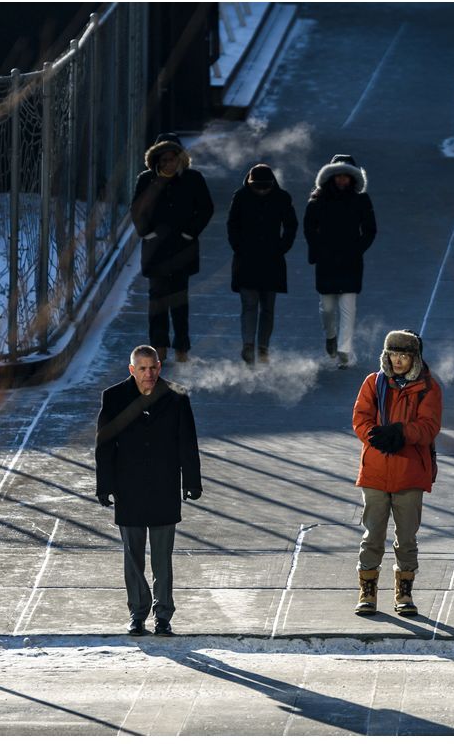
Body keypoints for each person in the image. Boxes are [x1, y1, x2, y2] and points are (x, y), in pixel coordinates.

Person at [94, 345, 202, 636]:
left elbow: (186, 441)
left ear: (159, 367)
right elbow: (105, 445)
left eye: (153, 367)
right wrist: (104, 484)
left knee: (162, 557)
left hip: (164, 486)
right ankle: (138, 613)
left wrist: (191, 481)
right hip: (128, 488)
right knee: (133, 556)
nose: (149, 373)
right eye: (142, 368)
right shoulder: (114, 397)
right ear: (132, 370)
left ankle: (163, 615)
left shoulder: (176, 396)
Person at [351, 329, 442, 617]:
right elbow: (360, 419)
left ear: (414, 357)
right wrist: (374, 435)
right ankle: (368, 591)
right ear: (386, 355)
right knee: (372, 534)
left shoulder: (428, 388)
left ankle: (404, 592)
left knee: (407, 537)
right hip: (376, 472)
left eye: (404, 355)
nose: (398, 360)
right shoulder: (373, 383)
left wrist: (401, 433)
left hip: (410, 474)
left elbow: (429, 427)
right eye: (393, 354)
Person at [130, 133, 214, 363]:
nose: (168, 163)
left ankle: (181, 346)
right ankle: (159, 346)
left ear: (180, 158)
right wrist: (148, 232)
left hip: (181, 250)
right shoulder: (146, 180)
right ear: (156, 160)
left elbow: (206, 208)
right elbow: (137, 210)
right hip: (155, 251)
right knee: (157, 300)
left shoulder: (193, 179)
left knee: (178, 299)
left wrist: (190, 232)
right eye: (163, 159)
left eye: (172, 158)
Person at [303, 154, 377, 368]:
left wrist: (357, 249)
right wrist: (317, 248)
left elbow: (370, 229)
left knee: (348, 308)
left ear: (353, 178)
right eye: (339, 176)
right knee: (326, 308)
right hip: (326, 260)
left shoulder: (361, 199)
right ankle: (331, 337)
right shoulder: (317, 199)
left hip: (350, 260)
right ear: (331, 176)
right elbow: (309, 226)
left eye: (346, 176)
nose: (342, 180)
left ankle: (344, 351)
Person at [226, 163, 299, 364]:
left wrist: (282, 247)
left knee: (266, 306)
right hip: (252, 259)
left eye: (264, 187)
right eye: (257, 187)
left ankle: (261, 346)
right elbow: (232, 225)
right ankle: (250, 345)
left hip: (268, 259)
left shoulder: (280, 198)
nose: (261, 190)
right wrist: (239, 247)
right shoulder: (241, 197)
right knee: (253, 304)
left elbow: (291, 225)